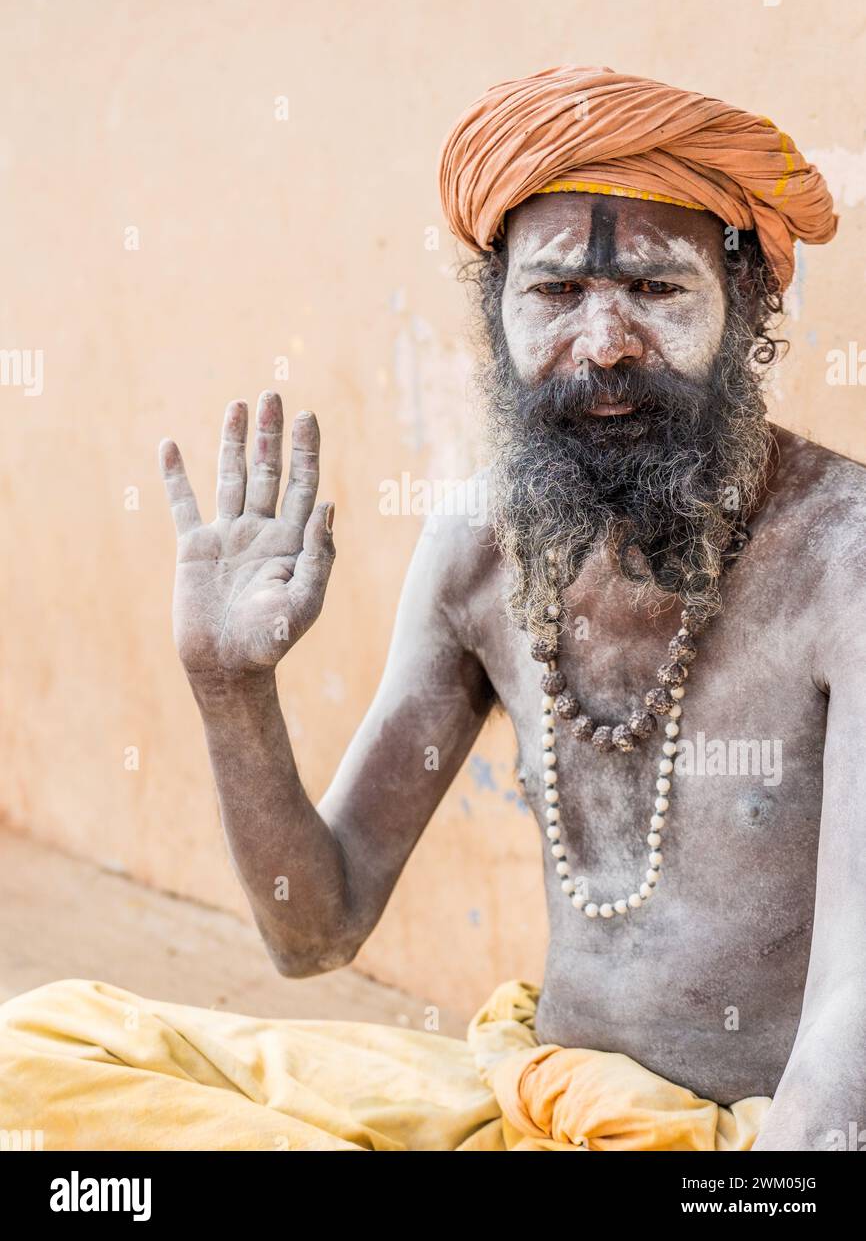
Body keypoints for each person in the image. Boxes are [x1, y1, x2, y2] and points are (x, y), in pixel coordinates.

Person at [1, 67, 858, 1152]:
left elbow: (854, 1007)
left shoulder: (843, 560)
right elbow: (312, 928)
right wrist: (230, 689)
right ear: (494, 313)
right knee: (39, 1050)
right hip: (535, 1098)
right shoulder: (473, 554)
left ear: (744, 307)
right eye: (553, 294)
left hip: (779, 1135)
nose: (602, 345)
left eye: (654, 290)